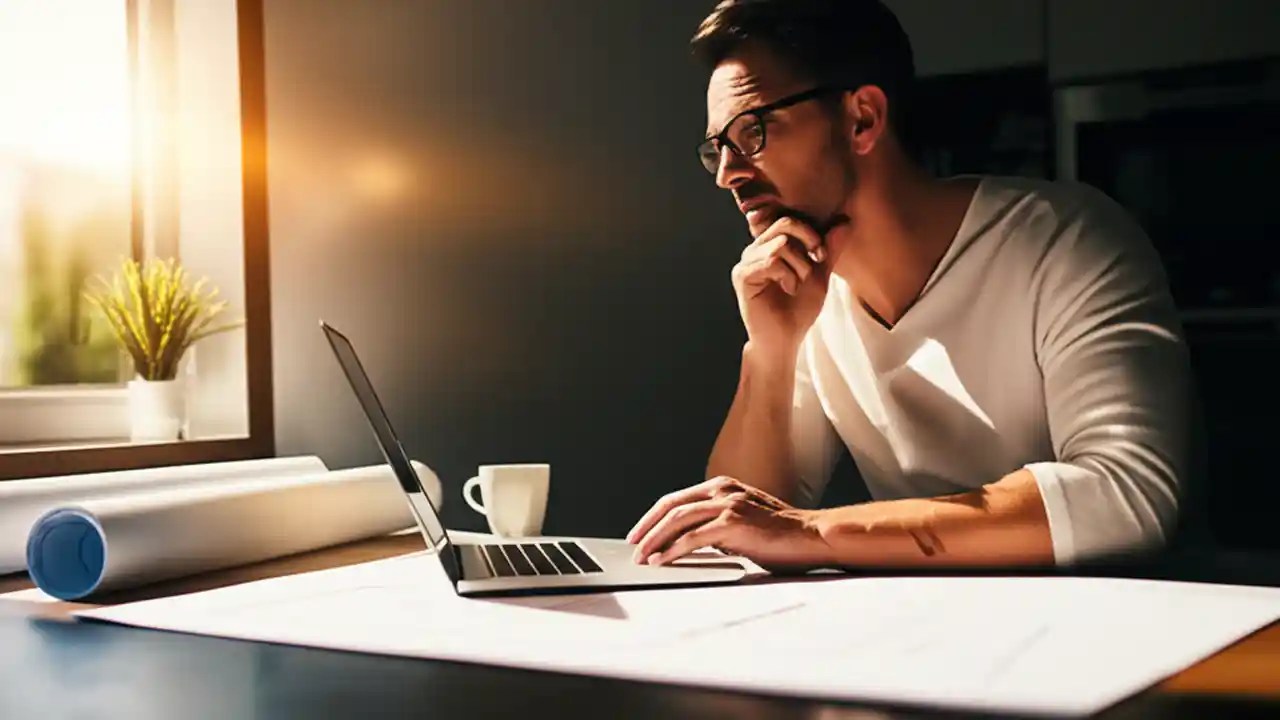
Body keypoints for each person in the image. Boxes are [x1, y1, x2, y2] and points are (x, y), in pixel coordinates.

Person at [627, 0, 1193, 571]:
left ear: (862, 119)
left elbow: (1127, 495)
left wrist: (812, 533)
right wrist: (769, 354)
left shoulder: (1065, 242)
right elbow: (740, 523)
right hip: (940, 639)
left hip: (1139, 637)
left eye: (751, 131)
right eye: (715, 149)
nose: (728, 174)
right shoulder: (805, 295)